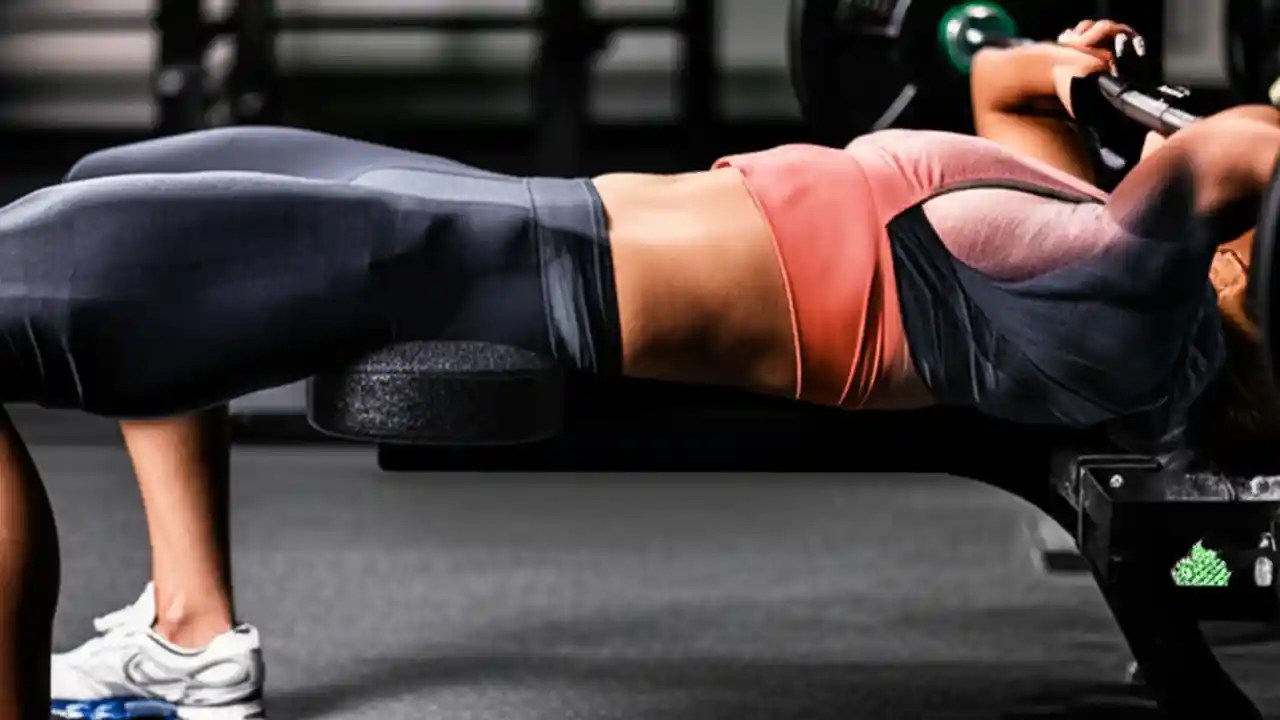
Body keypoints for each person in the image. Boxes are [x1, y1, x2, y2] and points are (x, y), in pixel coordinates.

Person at [10, 17, 1277, 720]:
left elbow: (1236, 150)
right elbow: (996, 77)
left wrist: (1216, 139)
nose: (1234, 251)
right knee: (114, 180)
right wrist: (1071, 65)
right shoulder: (1080, 227)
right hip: (535, 209)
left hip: (517, 273)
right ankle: (190, 631)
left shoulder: (1126, 315)